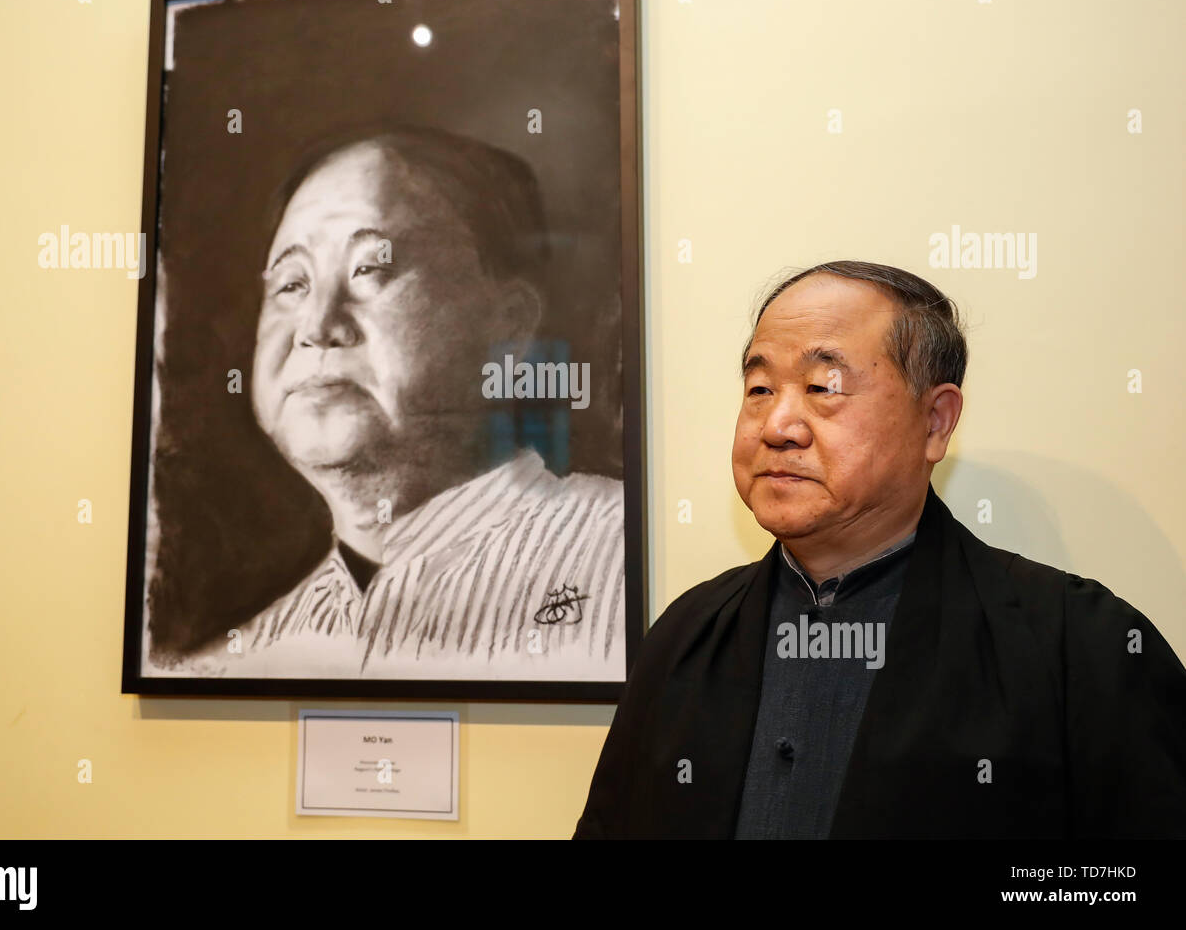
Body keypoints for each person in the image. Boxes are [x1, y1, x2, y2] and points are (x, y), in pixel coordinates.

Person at [574, 260, 1186, 837]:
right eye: (759, 388)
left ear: (935, 422)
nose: (777, 426)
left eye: (823, 385)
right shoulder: (686, 634)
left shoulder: (1084, 645)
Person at [186, 126, 625, 681]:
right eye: (292, 285)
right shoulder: (232, 666)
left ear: (509, 324)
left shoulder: (624, 561)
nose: (317, 328)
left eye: (370, 268)